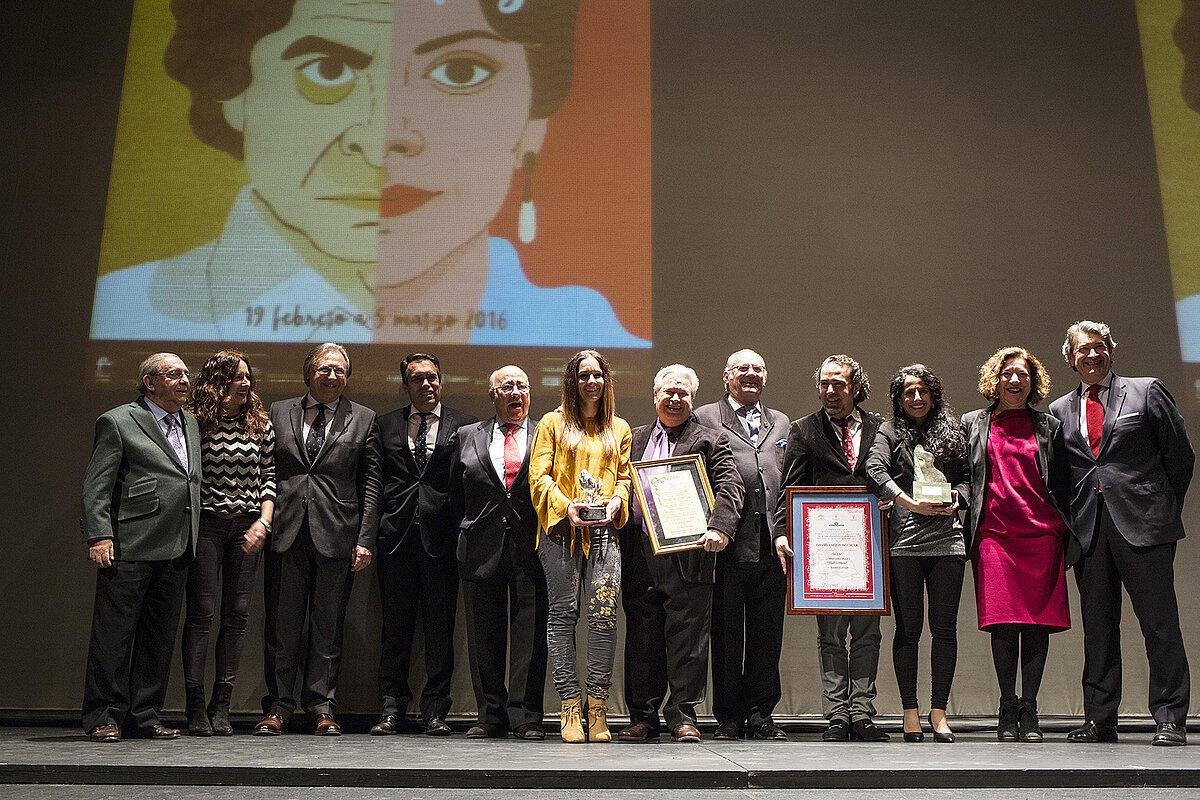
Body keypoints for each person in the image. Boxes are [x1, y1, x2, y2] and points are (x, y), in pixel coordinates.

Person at [91, 0, 647, 348]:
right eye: (327, 70)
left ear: (534, 122)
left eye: (459, 71)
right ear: (234, 93)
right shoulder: (131, 307)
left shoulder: (590, 338)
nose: (386, 136)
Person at [1048, 321, 1193, 746]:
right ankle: (1100, 719)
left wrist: (1159, 508)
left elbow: (1179, 457)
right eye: (1082, 351)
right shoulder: (1059, 411)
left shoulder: (1146, 390)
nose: (1092, 356)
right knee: (1098, 628)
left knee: (1159, 626)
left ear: (1111, 351)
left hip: (1145, 526)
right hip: (1090, 531)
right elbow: (1060, 477)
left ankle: (1170, 718)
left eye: (1099, 348)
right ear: (1070, 359)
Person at [255, 343, 382, 736]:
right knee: (281, 627)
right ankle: (278, 708)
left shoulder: (364, 418)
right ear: (309, 372)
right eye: (326, 369)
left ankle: (322, 707)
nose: (333, 377)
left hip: (338, 537)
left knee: (327, 629)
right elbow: (266, 470)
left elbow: (372, 485)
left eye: (340, 371)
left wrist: (364, 539)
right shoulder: (278, 411)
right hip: (287, 533)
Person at [618, 364, 744, 743]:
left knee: (689, 641)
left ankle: (683, 716)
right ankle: (643, 717)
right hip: (640, 551)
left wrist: (721, 527)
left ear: (693, 399)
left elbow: (731, 485)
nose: (675, 399)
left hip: (691, 553)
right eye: (668, 392)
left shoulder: (711, 439)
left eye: (683, 393)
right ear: (655, 396)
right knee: (642, 638)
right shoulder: (633, 439)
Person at [80, 353, 200, 742]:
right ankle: (104, 716)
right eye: (174, 374)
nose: (184, 380)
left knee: (158, 638)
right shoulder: (118, 421)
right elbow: (97, 485)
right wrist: (100, 534)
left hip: (178, 542)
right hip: (130, 544)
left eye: (186, 374)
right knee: (114, 638)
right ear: (150, 382)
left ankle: (145, 714)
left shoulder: (191, 423)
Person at [774, 355, 889, 743]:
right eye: (824, 384)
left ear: (856, 387)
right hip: (824, 551)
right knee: (830, 637)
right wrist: (781, 532)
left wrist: (893, 500)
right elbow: (788, 489)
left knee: (868, 635)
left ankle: (863, 713)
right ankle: (837, 715)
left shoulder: (881, 428)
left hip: (870, 546)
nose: (830, 391)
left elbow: (897, 478)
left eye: (838, 384)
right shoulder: (804, 430)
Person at [962, 347, 1072, 743]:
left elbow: (1063, 480)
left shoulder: (1049, 426)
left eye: (1022, 374)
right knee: (1004, 624)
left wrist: (1062, 525)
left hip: (1042, 535)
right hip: (994, 536)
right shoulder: (973, 424)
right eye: (1007, 373)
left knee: (1037, 625)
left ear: (1033, 381)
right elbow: (964, 477)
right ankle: (1007, 707)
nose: (1014, 380)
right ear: (995, 378)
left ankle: (1030, 708)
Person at [529, 350, 632, 743]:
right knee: (563, 615)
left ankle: (598, 707)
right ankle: (570, 706)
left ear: (606, 381)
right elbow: (539, 477)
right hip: (560, 533)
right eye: (584, 376)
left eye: (598, 375)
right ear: (571, 381)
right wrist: (566, 505)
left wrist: (619, 499)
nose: (592, 382)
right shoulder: (552, 424)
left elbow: (624, 477)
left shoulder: (618, 428)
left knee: (603, 619)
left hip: (605, 534)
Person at [373, 353, 478, 736]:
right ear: (405, 386)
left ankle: (436, 710)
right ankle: (391, 709)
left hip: (443, 543)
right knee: (394, 632)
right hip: (395, 540)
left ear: (441, 380)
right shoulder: (385, 425)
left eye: (432, 377)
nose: (426, 385)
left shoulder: (464, 426)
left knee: (439, 633)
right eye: (417, 379)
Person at [865, 364, 969, 744]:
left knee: (944, 631)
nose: (916, 397)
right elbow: (874, 468)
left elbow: (968, 478)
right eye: (908, 392)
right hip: (905, 543)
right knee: (908, 631)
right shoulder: (889, 431)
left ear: (933, 394)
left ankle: (938, 712)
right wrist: (906, 500)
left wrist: (959, 498)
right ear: (898, 399)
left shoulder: (953, 432)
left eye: (922, 390)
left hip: (948, 541)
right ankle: (910, 711)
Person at [694, 349, 791, 741]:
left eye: (758, 368)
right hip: (727, 546)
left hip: (773, 546)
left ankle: (761, 712)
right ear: (726, 376)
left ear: (765, 377)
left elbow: (788, 481)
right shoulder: (704, 416)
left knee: (768, 635)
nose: (751, 374)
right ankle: (729, 716)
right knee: (727, 635)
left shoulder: (782, 421)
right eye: (743, 369)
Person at [449, 365, 548, 740]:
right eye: (507, 387)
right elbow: (453, 495)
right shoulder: (465, 436)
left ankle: (526, 716)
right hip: (480, 546)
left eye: (522, 386)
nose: (516, 393)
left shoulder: (546, 433)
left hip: (533, 546)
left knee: (531, 635)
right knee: (483, 637)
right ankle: (490, 714)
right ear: (493, 395)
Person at [181, 350, 276, 736]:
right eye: (237, 377)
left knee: (237, 616)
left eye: (247, 376)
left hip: (247, 527)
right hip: (205, 526)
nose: (246, 383)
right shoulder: (194, 423)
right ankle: (194, 704)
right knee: (202, 614)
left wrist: (263, 523)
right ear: (218, 382)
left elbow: (270, 477)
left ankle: (222, 704)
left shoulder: (260, 423)